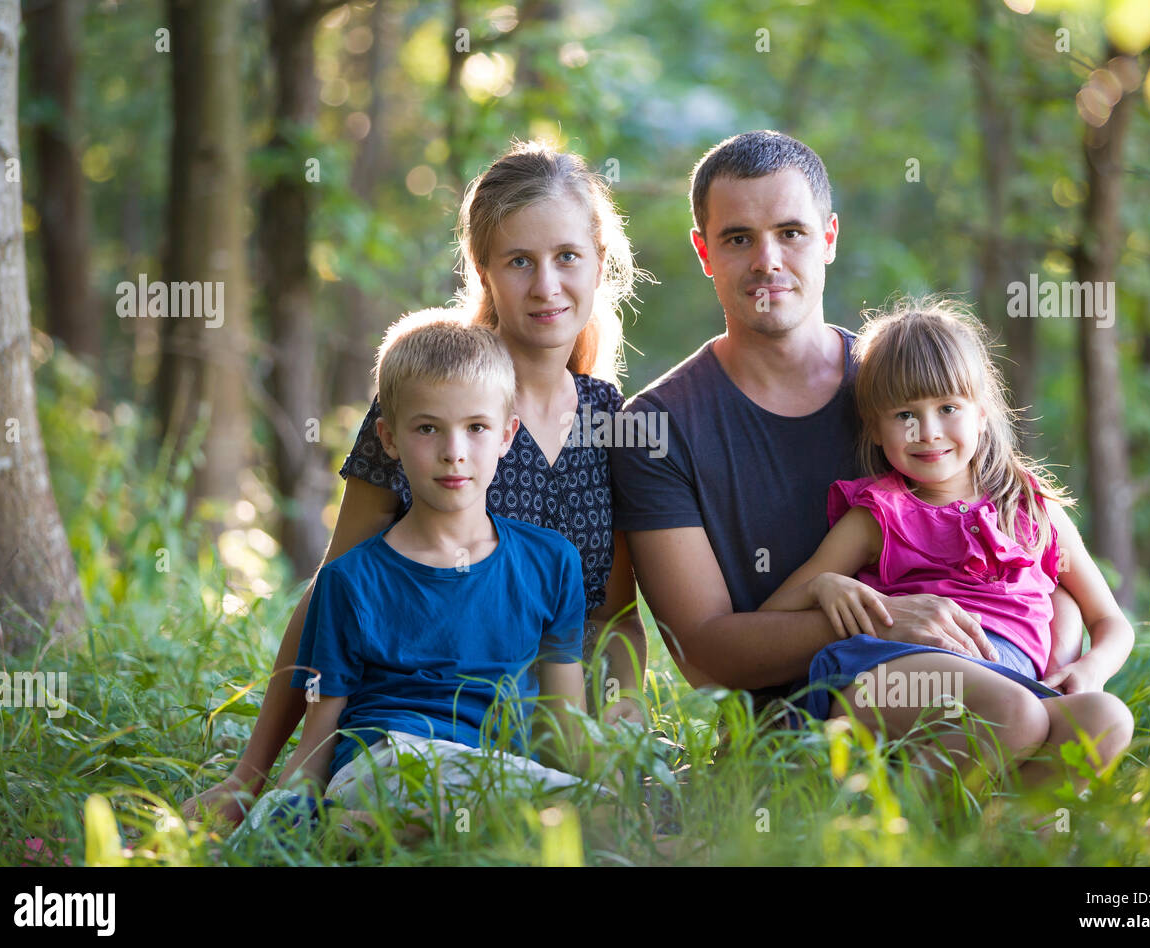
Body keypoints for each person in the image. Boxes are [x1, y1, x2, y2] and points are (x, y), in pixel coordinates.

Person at [184, 141, 647, 824]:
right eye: (519, 261)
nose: (547, 285)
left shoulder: (611, 417)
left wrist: (624, 721)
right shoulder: (431, 408)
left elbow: (616, 614)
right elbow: (332, 594)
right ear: (485, 272)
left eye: (567, 257)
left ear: (599, 264)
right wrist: (250, 778)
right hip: (408, 721)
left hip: (547, 721)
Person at [609, 128, 1085, 703]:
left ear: (829, 237)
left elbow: (1021, 538)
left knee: (1080, 733)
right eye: (738, 238)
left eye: (791, 233)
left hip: (990, 686)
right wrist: (882, 620)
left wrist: (1053, 629)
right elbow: (707, 658)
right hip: (806, 741)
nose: (768, 262)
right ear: (704, 251)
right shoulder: (656, 431)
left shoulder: (912, 389)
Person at [237, 318, 600, 841]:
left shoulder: (551, 563)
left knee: (596, 812)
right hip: (385, 759)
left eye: (476, 428)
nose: (454, 451)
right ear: (388, 437)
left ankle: (362, 837)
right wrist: (272, 808)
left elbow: (569, 727)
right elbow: (318, 738)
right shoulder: (350, 581)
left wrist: (605, 783)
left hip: (494, 769)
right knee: (538, 817)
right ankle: (332, 831)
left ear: (506, 434)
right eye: (428, 428)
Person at [758, 299, 1134, 788]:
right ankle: (894, 838)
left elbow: (1109, 621)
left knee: (1106, 719)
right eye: (904, 415)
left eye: (948, 408)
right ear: (874, 427)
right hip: (886, 681)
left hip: (1010, 692)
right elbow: (774, 613)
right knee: (1012, 712)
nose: (928, 432)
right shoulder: (879, 516)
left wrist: (1091, 669)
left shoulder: (1035, 511)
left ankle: (1000, 834)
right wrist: (824, 586)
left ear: (981, 414)